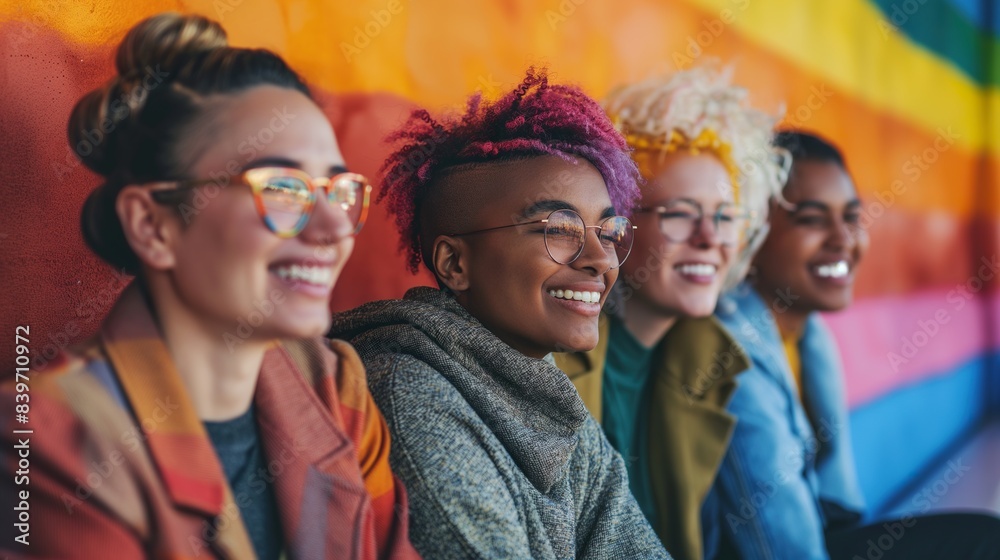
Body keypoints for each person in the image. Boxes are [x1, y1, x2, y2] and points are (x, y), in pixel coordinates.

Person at [0, 13, 418, 559]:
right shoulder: (43, 442)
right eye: (283, 189)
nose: (334, 228)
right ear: (153, 226)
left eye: (339, 192)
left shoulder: (337, 390)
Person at [328, 68, 671, 559]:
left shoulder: (548, 395)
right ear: (455, 264)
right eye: (559, 229)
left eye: (607, 231)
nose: (601, 260)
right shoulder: (411, 397)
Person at [711, 130, 1000, 559]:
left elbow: (839, 511)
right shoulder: (731, 349)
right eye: (812, 219)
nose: (842, 238)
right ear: (753, 232)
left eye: (851, 217)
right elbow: (782, 548)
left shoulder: (809, 336)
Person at [554, 65, 787, 560]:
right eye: (680, 214)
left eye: (725, 216)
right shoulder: (555, 358)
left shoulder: (709, 360)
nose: (709, 238)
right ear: (617, 227)